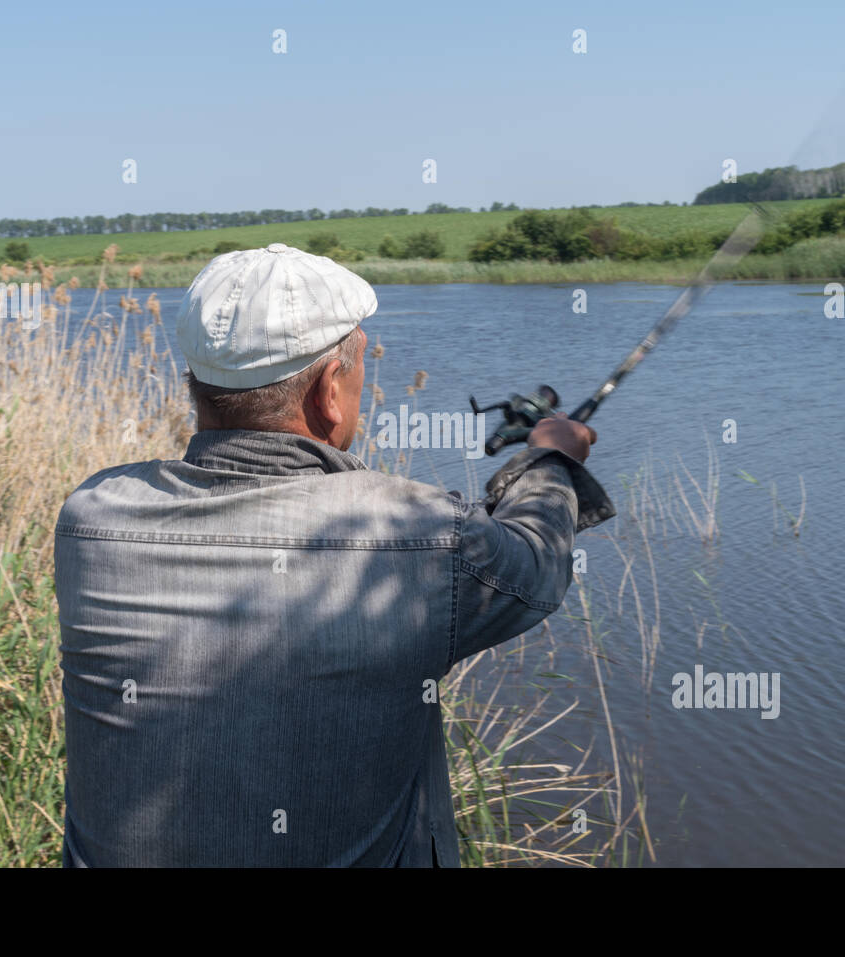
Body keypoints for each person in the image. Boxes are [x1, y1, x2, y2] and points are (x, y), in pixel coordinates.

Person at [55, 242, 614, 867]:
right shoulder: (422, 535)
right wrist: (551, 457)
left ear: (194, 382)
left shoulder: (92, 518)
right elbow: (534, 561)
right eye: (359, 368)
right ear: (328, 391)